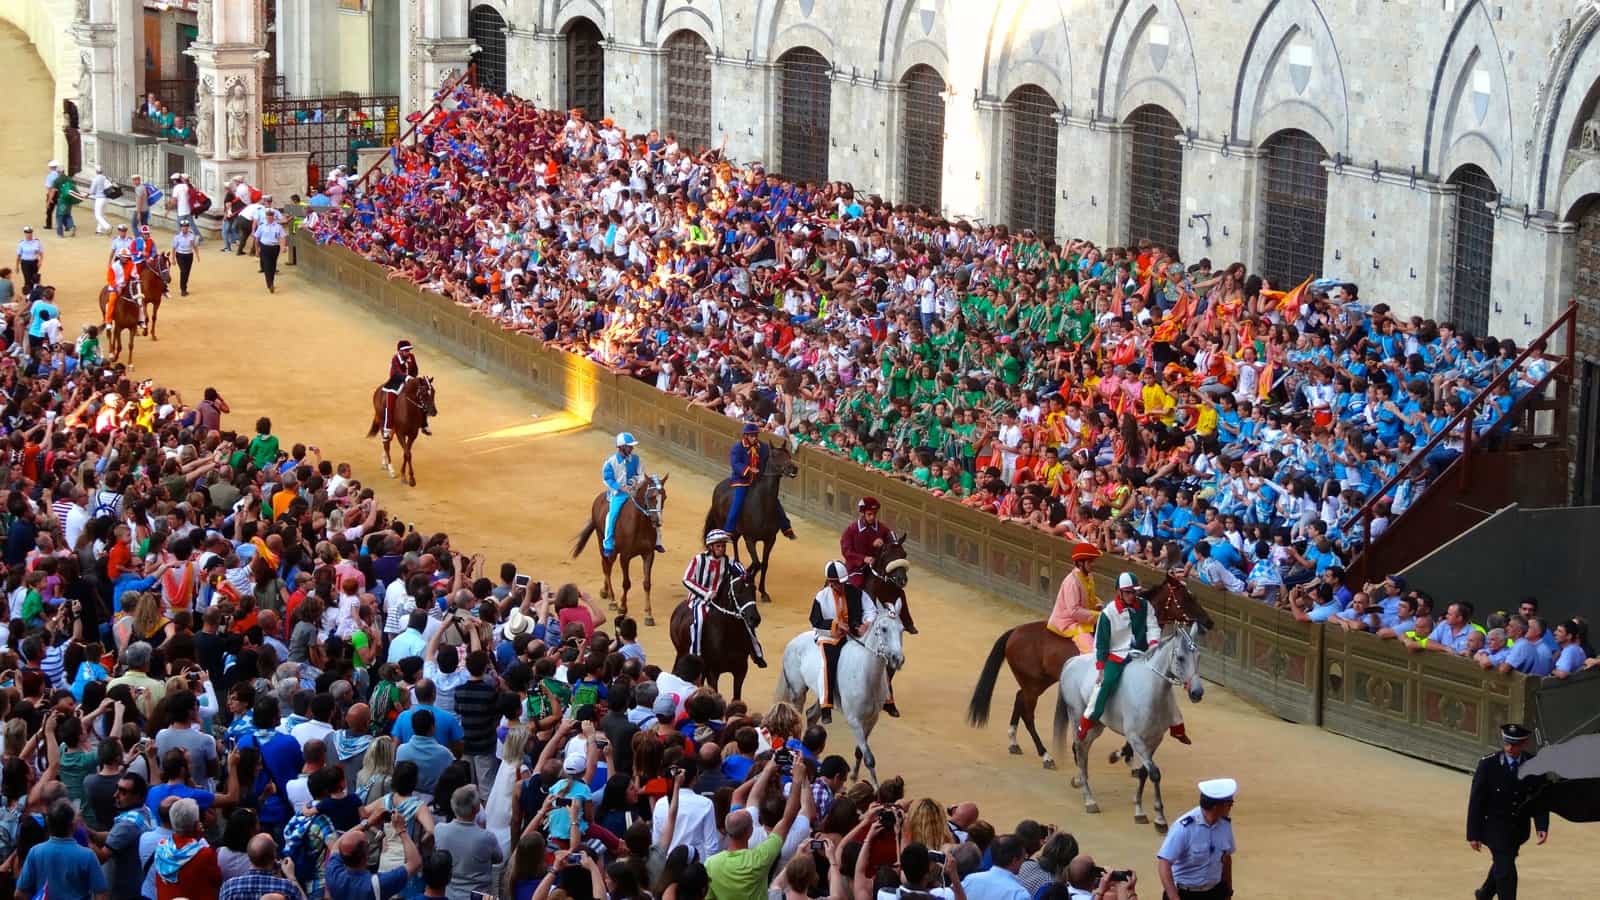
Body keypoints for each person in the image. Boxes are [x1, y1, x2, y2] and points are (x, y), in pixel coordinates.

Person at [1076, 573, 1167, 743]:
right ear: (1119, 592)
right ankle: (1087, 720)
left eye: (1134, 592)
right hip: (1116, 655)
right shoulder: (1108, 613)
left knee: (1162, 679)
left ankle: (1174, 723)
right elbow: (1102, 643)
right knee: (1106, 683)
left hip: (1141, 653)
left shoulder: (1145, 606)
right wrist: (1101, 667)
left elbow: (1153, 627)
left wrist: (1153, 644)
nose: (1132, 595)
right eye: (1128, 592)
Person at [1466, 724, 1549, 900]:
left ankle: (1484, 895)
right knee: (1506, 872)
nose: (1510, 748)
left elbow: (1539, 797)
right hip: (1494, 827)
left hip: (1518, 827)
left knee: (1503, 863)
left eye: (1515, 744)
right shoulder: (1488, 764)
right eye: (1507, 743)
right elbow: (1476, 801)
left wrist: (1541, 825)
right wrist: (1473, 834)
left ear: (1524, 744)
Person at [705, 758, 805, 900]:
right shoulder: (760, 858)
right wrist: (798, 780)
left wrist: (767, 770)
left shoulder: (711, 864)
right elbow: (787, 819)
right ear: (749, 831)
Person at [681, 529, 764, 666]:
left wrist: (746, 575)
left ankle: (756, 652)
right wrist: (706, 593)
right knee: (699, 620)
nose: (722, 549)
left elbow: (742, 572)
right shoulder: (698, 560)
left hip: (721, 599)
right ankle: (695, 653)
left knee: (744, 618)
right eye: (718, 546)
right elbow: (686, 580)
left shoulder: (729, 561)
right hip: (700, 598)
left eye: (723, 546)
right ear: (710, 547)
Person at [1157, 778, 1237, 899]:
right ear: (1216, 806)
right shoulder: (1184, 828)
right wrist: (1174, 897)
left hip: (1215, 892)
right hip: (1185, 893)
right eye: (1229, 804)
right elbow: (1164, 863)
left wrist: (1228, 891)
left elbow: (1226, 858)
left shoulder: (1225, 825)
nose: (1231, 807)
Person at [809, 560, 867, 725]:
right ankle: (826, 706)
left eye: (842, 583)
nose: (841, 586)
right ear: (830, 582)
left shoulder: (854, 592)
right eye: (837, 583)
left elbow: (866, 611)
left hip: (850, 636)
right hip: (829, 637)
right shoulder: (821, 597)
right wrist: (835, 625)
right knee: (828, 663)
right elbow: (815, 622)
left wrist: (862, 624)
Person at [18, 798, 109, 900]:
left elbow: (20, 894)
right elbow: (102, 896)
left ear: (48, 824)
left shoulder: (35, 852)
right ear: (73, 826)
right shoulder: (88, 855)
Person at [324, 808, 422, 900]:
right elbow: (415, 862)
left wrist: (368, 822)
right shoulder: (377, 884)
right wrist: (401, 830)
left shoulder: (333, 874)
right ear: (366, 854)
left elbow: (337, 844)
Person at [724, 422, 795, 539]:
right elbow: (735, 463)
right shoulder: (737, 447)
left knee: (774, 502)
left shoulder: (763, 447)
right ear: (746, 436)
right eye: (751, 436)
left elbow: (771, 459)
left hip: (759, 480)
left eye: (755, 435)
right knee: (738, 502)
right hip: (743, 480)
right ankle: (728, 530)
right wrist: (748, 470)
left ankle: (786, 527)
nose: (754, 438)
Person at [432, 785, 503, 900]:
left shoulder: (440, 830)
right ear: (477, 808)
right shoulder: (486, 837)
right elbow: (498, 858)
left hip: (449, 894)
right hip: (477, 896)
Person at [1049, 542, 1104, 653]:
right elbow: (1074, 611)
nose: (1093, 564)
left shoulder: (1089, 576)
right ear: (1080, 563)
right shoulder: (1072, 581)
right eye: (1090, 562)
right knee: (1091, 652)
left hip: (1084, 619)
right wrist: (1099, 616)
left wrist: (1100, 605)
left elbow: (1091, 598)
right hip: (1069, 623)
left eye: (1093, 561)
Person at [602, 431, 647, 555]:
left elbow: (642, 475)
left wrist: (638, 484)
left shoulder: (637, 459)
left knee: (652, 510)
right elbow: (607, 479)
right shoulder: (610, 462)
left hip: (635, 492)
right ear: (621, 447)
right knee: (612, 514)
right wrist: (621, 488)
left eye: (632, 446)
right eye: (629, 446)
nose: (632, 448)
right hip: (618, 495)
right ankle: (608, 543)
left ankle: (657, 540)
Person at [218, 834, 302, 900]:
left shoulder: (229, 887)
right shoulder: (287, 888)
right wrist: (291, 876)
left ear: (249, 855)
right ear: (274, 855)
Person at [380, 339, 429, 437]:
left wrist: (413, 379)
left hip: (409, 380)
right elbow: (397, 372)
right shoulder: (395, 359)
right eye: (406, 350)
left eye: (409, 350)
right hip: (396, 381)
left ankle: (424, 424)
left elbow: (415, 369)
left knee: (423, 396)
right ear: (400, 351)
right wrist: (407, 378)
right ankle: (387, 428)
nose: (408, 352)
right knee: (390, 401)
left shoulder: (411, 357)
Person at [839, 496, 887, 588]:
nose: (872, 517)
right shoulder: (851, 530)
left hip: (876, 567)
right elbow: (846, 552)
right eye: (869, 514)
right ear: (862, 514)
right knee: (856, 587)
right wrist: (863, 558)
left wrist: (884, 544)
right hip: (856, 569)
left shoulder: (882, 528)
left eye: (874, 514)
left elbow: (891, 539)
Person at [255, 208, 286, 292]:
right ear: (266, 217)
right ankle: (270, 284)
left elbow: (282, 237)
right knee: (267, 265)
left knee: (273, 265)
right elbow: (257, 238)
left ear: (273, 217)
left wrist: (283, 246)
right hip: (264, 247)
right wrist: (257, 250)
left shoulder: (278, 227)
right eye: (268, 217)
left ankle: (271, 281)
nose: (269, 218)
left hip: (275, 247)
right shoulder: (262, 226)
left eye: (271, 217)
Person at [172, 220, 198, 296]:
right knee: (183, 271)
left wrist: (197, 255)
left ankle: (184, 288)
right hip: (180, 255)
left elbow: (194, 246)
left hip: (189, 255)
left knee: (187, 272)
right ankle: (183, 289)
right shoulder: (177, 237)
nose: (184, 228)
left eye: (186, 226)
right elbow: (173, 248)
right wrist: (173, 258)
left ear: (188, 227)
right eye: (183, 227)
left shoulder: (192, 236)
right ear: (181, 228)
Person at [15, 225, 42, 293]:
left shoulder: (37, 242)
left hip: (34, 262)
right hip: (25, 263)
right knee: (27, 278)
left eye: (30, 233)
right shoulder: (21, 243)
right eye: (27, 233)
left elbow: (41, 253)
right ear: (25, 233)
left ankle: (33, 293)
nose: (29, 234)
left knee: (34, 278)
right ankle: (27, 293)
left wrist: (40, 261)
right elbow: (19, 255)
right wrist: (17, 266)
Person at [89, 166, 113, 234]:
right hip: (106, 198)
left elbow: (92, 191)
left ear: (96, 171)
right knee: (102, 215)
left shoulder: (95, 179)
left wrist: (87, 194)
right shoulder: (105, 178)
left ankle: (107, 226)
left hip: (99, 199)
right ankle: (99, 230)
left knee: (97, 215)